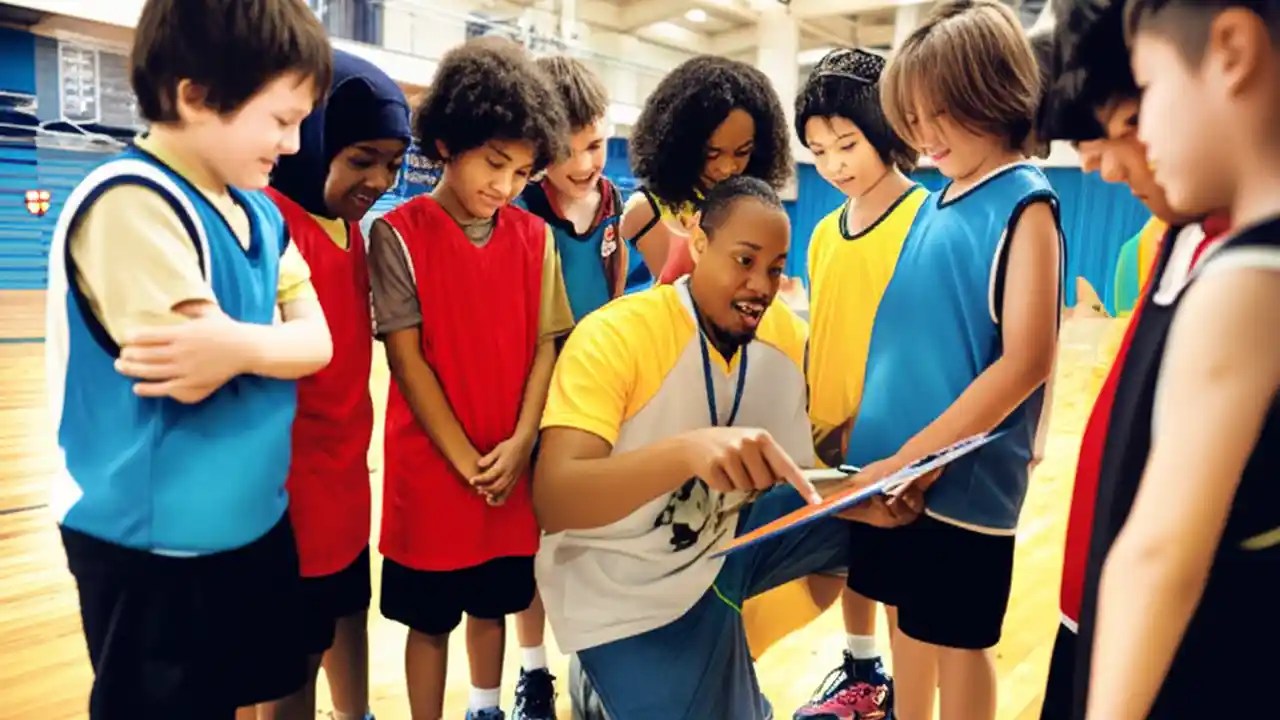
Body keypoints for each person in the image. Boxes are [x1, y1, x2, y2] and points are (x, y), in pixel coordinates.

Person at [533, 175, 925, 720]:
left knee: (897, 522)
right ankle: (606, 685)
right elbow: (554, 496)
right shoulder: (616, 335)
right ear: (697, 244)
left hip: (724, 550)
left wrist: (861, 496)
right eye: (744, 260)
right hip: (620, 589)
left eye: (774, 267)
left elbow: (797, 484)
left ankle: (870, 689)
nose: (761, 284)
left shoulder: (784, 339)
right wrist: (688, 453)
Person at [44, 1, 333, 718]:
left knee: (229, 699)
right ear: (196, 95)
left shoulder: (260, 212)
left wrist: (243, 346)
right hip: (153, 550)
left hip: (248, 524)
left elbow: (318, 344)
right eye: (281, 119)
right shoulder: (129, 202)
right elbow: (206, 362)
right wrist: (264, 345)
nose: (294, 145)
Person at [845, 2, 1063, 719]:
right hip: (897, 473)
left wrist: (919, 457)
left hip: (959, 484)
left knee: (959, 642)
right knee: (907, 621)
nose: (922, 133)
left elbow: (1027, 360)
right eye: (912, 116)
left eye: (938, 112)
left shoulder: (1025, 204)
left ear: (991, 93)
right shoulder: (937, 202)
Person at [1073, 1, 1280, 718]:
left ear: (1230, 51)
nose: (1142, 130)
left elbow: (1157, 558)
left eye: (1148, 91)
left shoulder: (1249, 283)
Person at [1029, 2, 1234, 717]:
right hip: (1095, 602)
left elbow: (1169, 556)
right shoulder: (1180, 233)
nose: (1108, 170)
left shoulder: (1244, 267)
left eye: (1123, 128)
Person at [365, 37, 573, 720]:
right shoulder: (396, 233)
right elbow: (407, 358)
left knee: (494, 608)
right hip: (431, 471)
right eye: (494, 163)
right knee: (428, 622)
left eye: (520, 172)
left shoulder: (534, 238)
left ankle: (487, 708)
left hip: (508, 465)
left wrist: (519, 447)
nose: (505, 185)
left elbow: (548, 347)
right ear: (449, 141)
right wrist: (465, 460)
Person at [261, 49, 411, 720]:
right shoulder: (267, 224)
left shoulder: (352, 233)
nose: (380, 179)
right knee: (288, 657)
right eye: (361, 159)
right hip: (285, 496)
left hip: (346, 481)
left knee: (350, 610)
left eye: (393, 163)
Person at [784, 47, 927, 720]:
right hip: (831, 430)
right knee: (853, 562)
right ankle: (860, 669)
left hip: (897, 433)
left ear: (886, 131)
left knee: (900, 573)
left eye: (847, 143)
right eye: (818, 150)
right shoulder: (819, 234)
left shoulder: (925, 220)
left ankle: (906, 688)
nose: (834, 163)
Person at [620, 55, 793, 286]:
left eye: (742, 152)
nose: (727, 168)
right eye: (712, 153)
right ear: (681, 146)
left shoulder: (746, 209)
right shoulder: (646, 211)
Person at [517, 56, 627, 327]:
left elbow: (618, 270)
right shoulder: (521, 207)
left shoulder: (611, 199)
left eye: (594, 146)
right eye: (564, 151)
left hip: (596, 351)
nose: (582, 166)